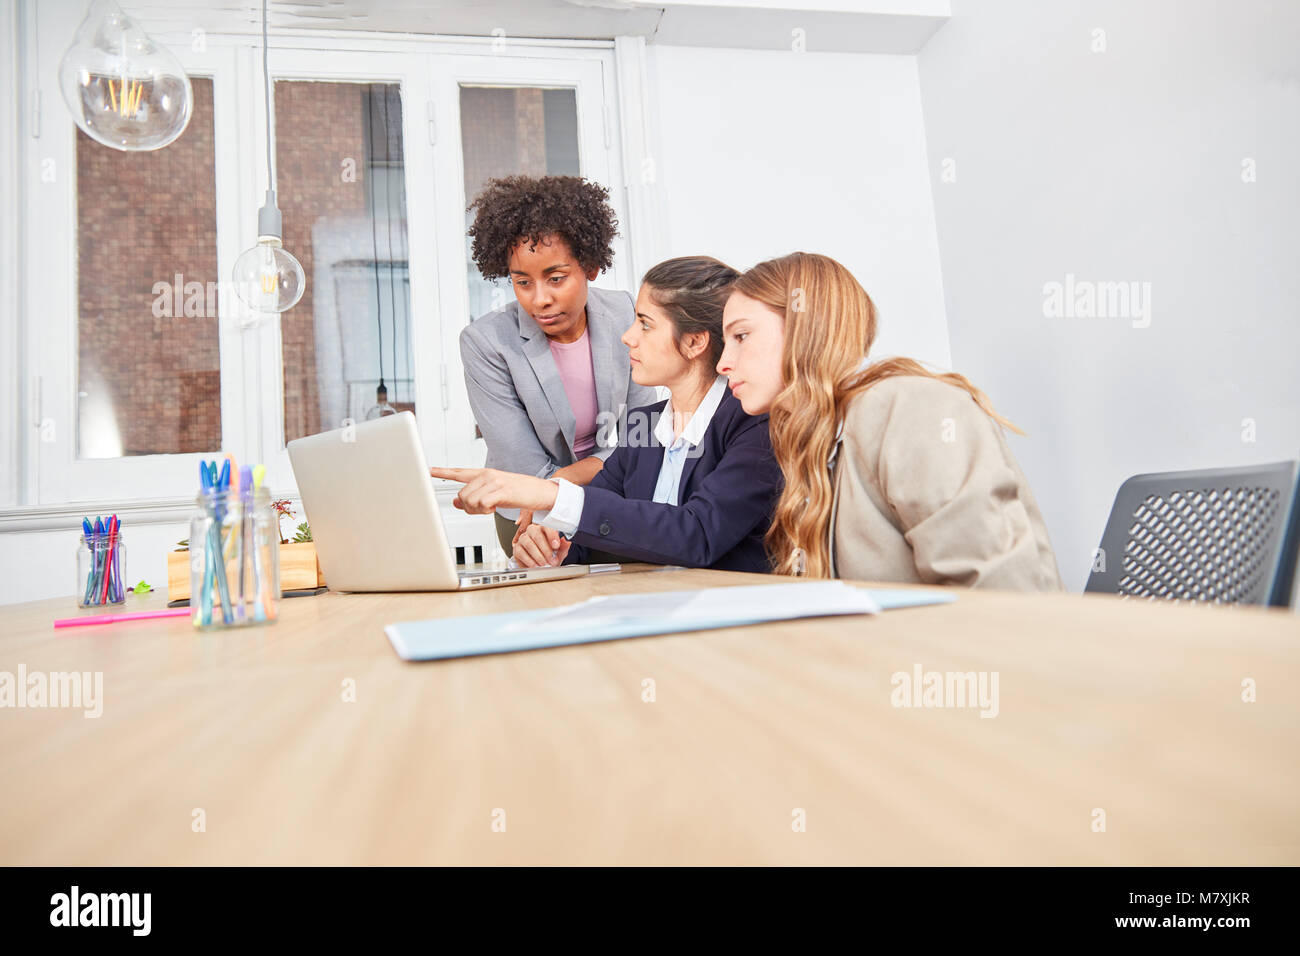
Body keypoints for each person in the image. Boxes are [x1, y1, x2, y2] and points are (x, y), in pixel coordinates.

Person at [717, 251, 1064, 589]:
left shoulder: (908, 407)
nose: (723, 363)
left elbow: (999, 590)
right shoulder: (820, 436)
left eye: (741, 336)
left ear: (804, 328)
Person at [431, 256, 782, 573]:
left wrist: (551, 494)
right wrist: (551, 546)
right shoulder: (645, 424)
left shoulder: (755, 423)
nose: (627, 337)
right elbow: (593, 526)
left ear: (693, 342)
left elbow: (697, 534)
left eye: (644, 324)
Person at [459, 174, 656, 553]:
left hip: (613, 501)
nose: (539, 299)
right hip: (532, 520)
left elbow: (642, 442)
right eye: (523, 282)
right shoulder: (486, 343)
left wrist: (569, 477)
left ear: (591, 266)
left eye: (556, 278)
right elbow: (524, 472)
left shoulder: (625, 314)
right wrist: (582, 477)